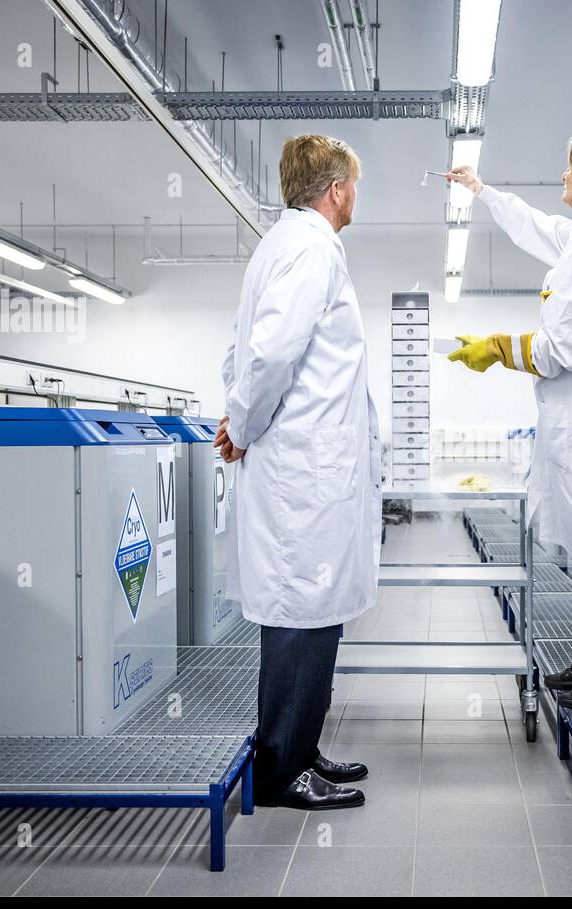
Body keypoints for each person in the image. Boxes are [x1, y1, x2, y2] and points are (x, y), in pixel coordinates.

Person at [446, 127, 572, 711]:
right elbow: (539, 228)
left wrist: (498, 347)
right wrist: (483, 191)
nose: (563, 175)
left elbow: (562, 348)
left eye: (569, 167)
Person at [214, 134, 380, 810]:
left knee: (314, 618)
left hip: (309, 473)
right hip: (301, 478)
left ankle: (300, 747)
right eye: (354, 185)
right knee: (300, 620)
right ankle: (283, 768)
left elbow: (242, 350)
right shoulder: (310, 249)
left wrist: (239, 416)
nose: (355, 196)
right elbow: (269, 354)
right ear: (336, 188)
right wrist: (242, 424)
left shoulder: (286, 247)